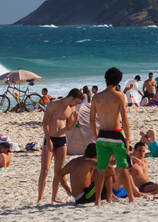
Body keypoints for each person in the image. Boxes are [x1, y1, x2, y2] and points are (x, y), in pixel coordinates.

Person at [90, 68, 141, 205]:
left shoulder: (96, 98)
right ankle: (131, 198)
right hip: (116, 134)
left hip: (102, 135)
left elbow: (91, 120)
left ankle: (98, 201)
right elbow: (124, 120)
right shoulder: (120, 96)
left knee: (101, 169)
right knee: (123, 168)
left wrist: (96, 136)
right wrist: (128, 139)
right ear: (118, 81)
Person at [37, 89, 85, 204]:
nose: (77, 104)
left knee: (58, 171)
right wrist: (48, 140)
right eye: (77, 102)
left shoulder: (71, 109)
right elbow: (45, 123)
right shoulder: (53, 104)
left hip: (62, 139)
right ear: (72, 98)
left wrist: (74, 121)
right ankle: (40, 198)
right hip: (50, 138)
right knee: (45, 169)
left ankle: (53, 198)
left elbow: (68, 128)